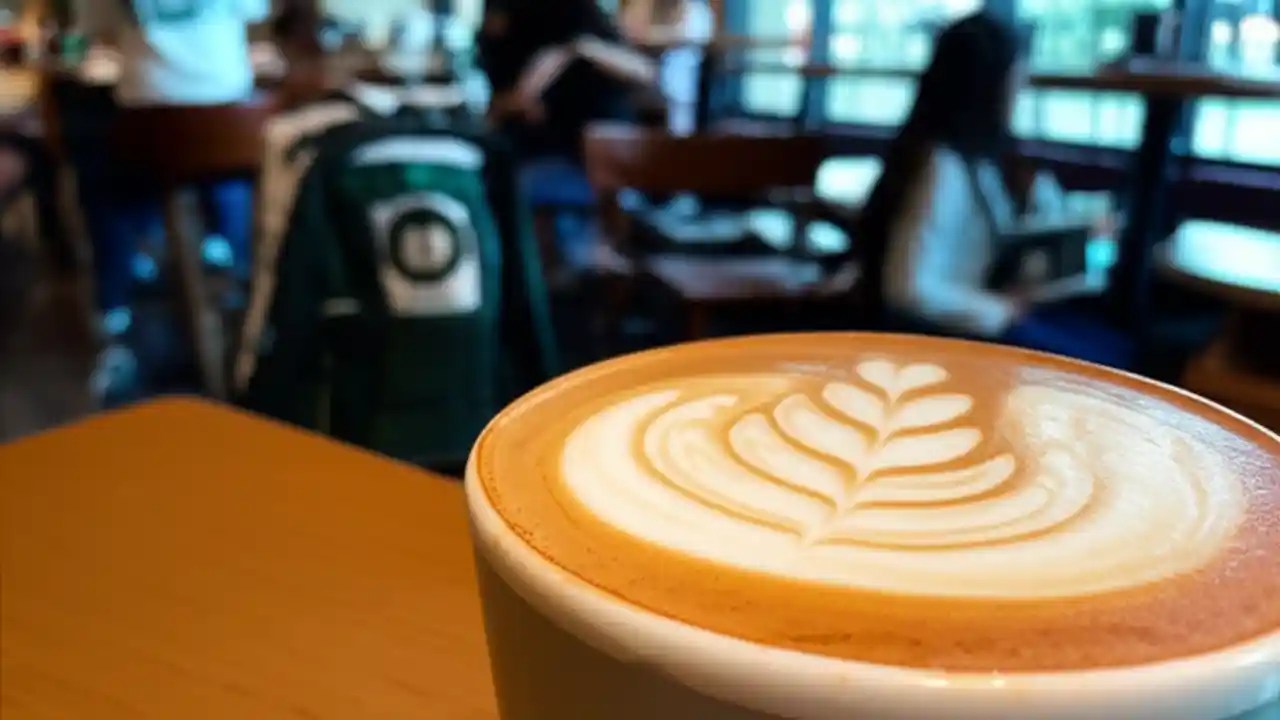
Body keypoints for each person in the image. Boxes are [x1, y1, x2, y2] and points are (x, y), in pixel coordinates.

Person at [855, 11, 1130, 368]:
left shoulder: (975, 159)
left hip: (980, 314)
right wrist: (1001, 310)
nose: (1021, 91)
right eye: (1016, 79)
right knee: (1107, 362)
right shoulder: (943, 167)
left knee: (1111, 346)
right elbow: (907, 288)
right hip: (957, 332)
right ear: (990, 84)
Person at [75, 0, 269, 339]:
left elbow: (99, 36)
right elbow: (255, 14)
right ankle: (239, 265)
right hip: (231, 123)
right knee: (232, 174)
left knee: (103, 176)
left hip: (149, 127)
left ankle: (115, 301)